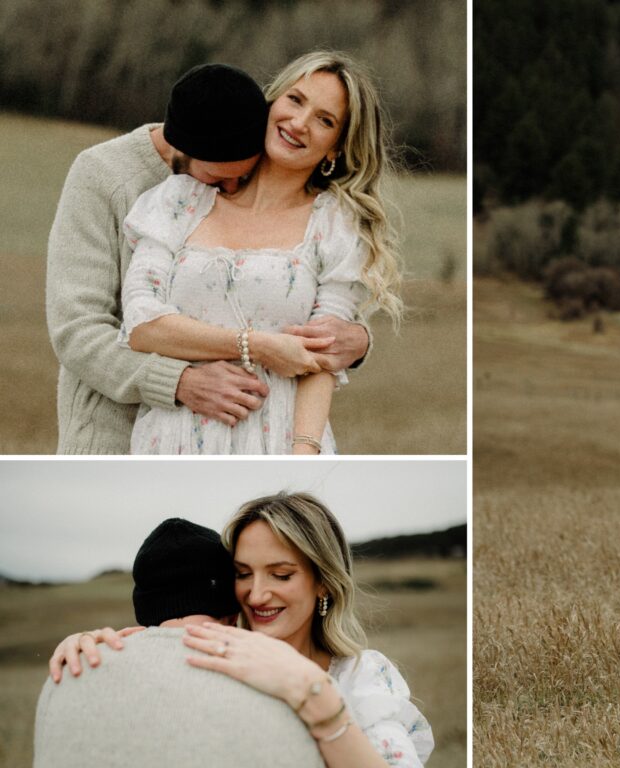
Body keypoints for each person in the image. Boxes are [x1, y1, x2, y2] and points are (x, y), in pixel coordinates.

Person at [45, 62, 370, 454]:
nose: (230, 188)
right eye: (220, 181)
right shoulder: (111, 177)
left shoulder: (237, 146)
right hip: (112, 438)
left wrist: (359, 340)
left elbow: (297, 306)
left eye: (323, 119)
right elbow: (77, 330)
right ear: (184, 150)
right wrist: (181, 380)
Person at [117, 51, 402, 453]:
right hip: (172, 437)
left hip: (279, 437)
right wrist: (258, 346)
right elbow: (143, 326)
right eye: (295, 100)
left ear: (336, 148)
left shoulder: (335, 225)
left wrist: (304, 454)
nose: (299, 123)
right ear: (272, 102)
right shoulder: (180, 199)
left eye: (325, 120)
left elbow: (321, 359)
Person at [48, 493, 434, 767]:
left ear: (324, 583)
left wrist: (311, 693)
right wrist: (96, 648)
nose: (257, 594)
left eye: (281, 574)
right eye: (242, 574)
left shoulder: (362, 676)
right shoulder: (218, 656)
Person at [35, 517, 324, 767]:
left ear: (144, 611)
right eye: (245, 575)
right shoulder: (283, 688)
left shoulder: (67, 673)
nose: (258, 596)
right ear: (233, 609)